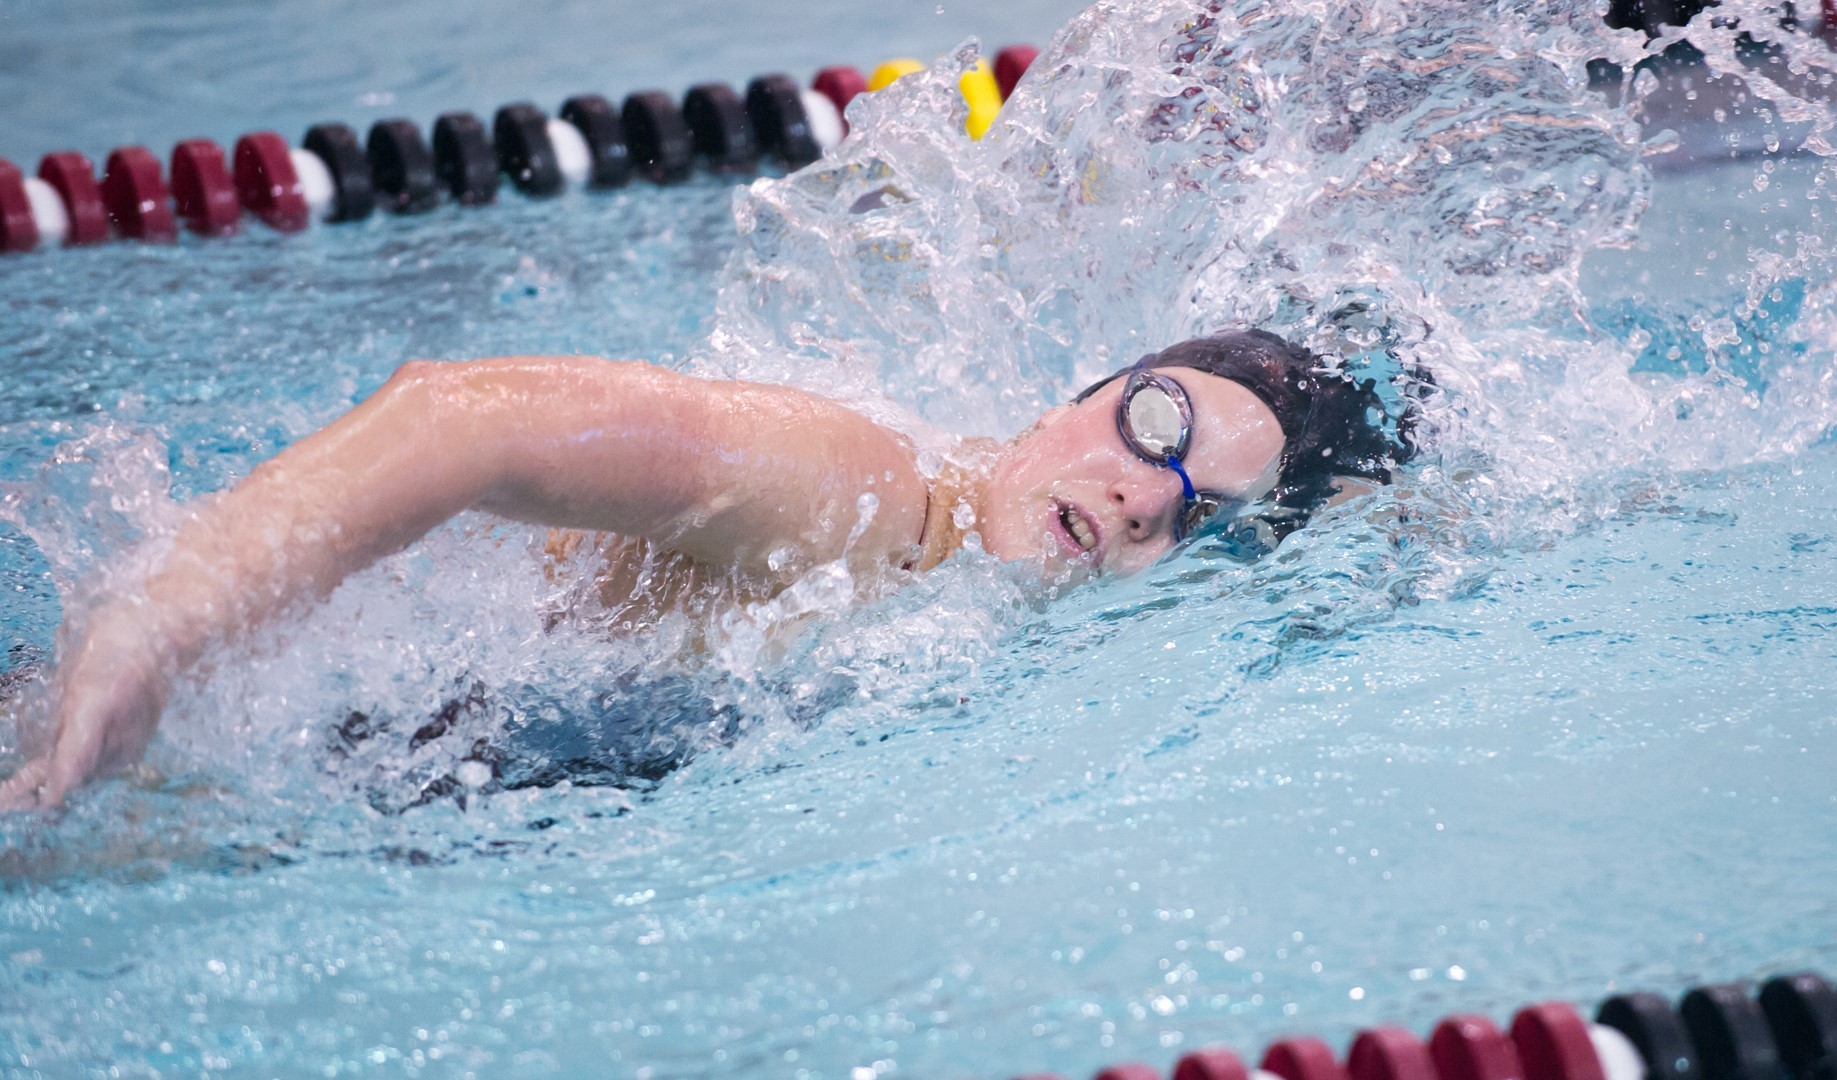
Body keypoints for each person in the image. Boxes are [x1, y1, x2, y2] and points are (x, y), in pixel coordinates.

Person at [0, 328, 1405, 811]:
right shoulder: (861, 496)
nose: (1133, 494)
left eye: (1199, 513)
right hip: (311, 739)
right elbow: (460, 416)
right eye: (1147, 424)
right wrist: (153, 632)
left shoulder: (977, 598)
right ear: (1077, 390)